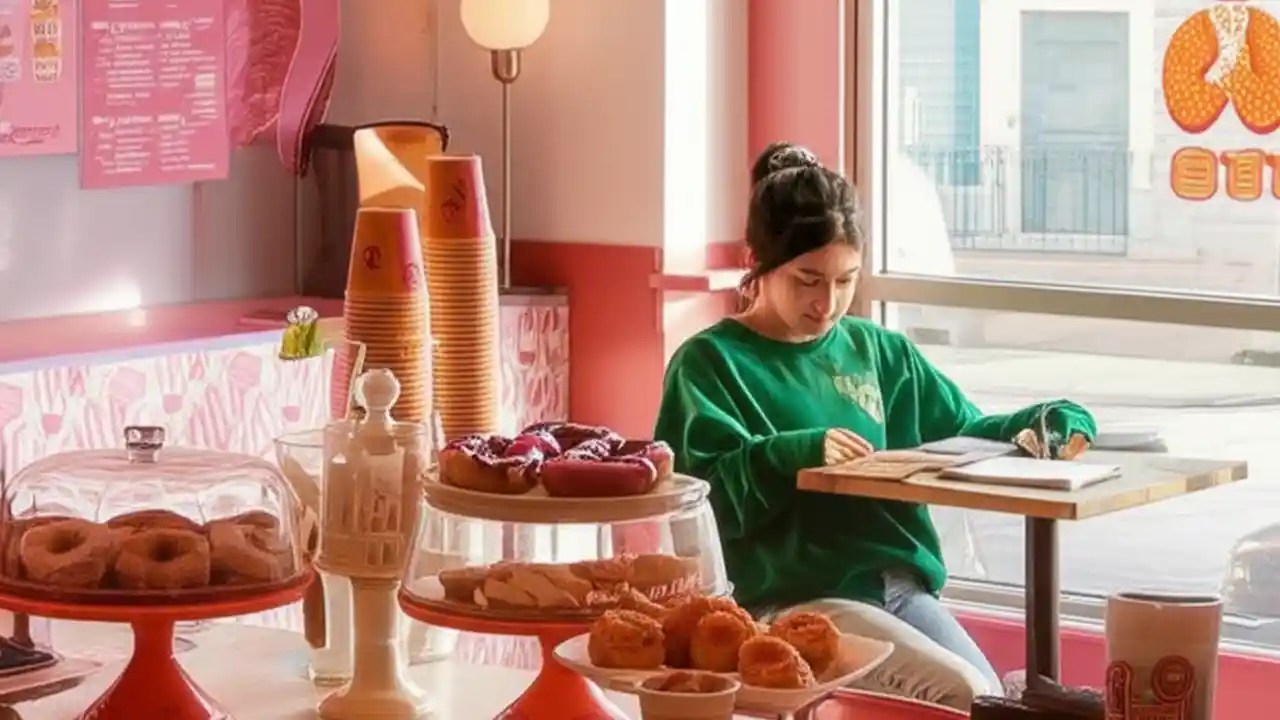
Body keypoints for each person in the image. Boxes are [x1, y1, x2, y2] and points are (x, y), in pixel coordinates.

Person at [652, 142, 1096, 710]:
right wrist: (795, 452)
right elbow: (699, 507)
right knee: (967, 695)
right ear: (758, 262)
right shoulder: (711, 364)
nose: (827, 303)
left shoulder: (879, 353)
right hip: (796, 604)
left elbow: (965, 431)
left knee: (996, 705)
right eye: (807, 279)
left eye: (845, 281)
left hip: (900, 591)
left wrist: (1044, 422)